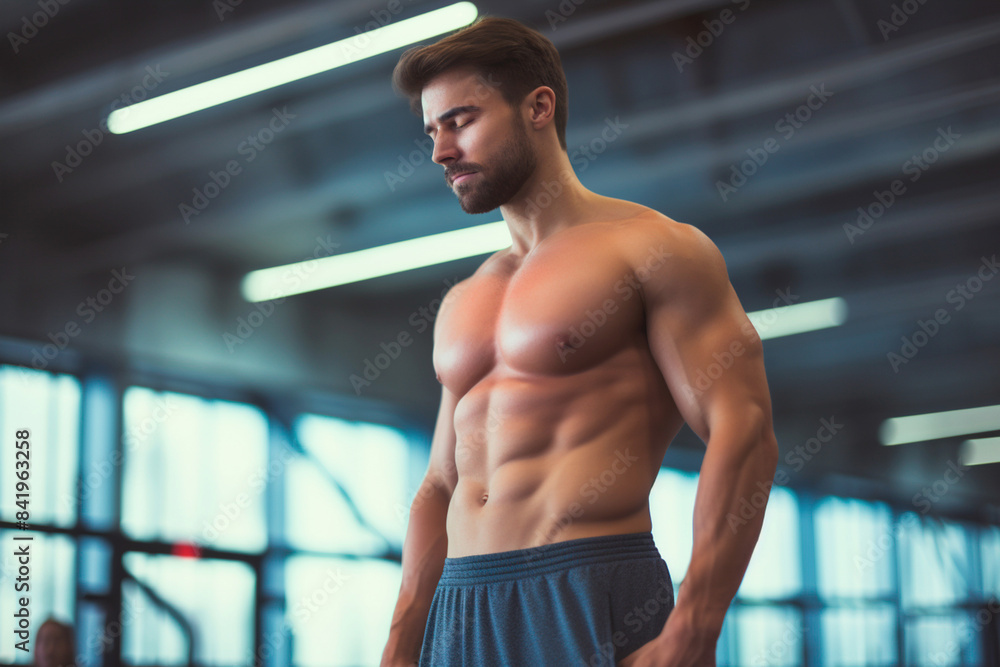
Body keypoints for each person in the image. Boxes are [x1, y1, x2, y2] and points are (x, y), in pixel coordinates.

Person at [380, 15, 779, 667]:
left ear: (539, 107)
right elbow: (439, 484)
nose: (440, 152)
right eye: (432, 131)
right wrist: (400, 642)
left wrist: (693, 628)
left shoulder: (655, 248)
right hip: (461, 606)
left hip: (587, 584)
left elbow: (745, 429)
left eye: (460, 121)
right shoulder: (464, 299)